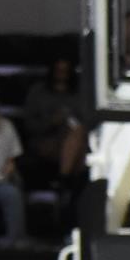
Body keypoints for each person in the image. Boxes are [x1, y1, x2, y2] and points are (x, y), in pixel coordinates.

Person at [19, 57, 86, 185]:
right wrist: (51, 122)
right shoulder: (38, 92)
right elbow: (29, 125)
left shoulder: (78, 94)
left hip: (74, 139)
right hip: (45, 140)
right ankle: (68, 184)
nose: (62, 75)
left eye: (65, 71)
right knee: (79, 146)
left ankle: (64, 179)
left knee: (78, 137)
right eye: (59, 71)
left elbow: (86, 120)